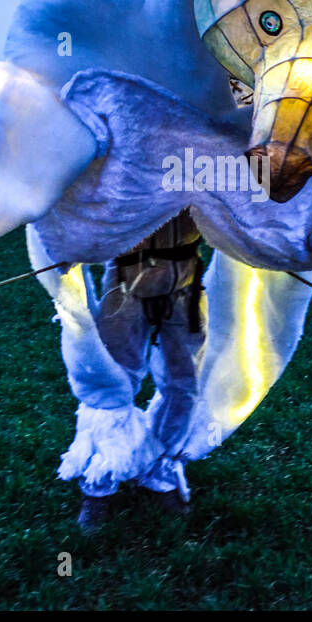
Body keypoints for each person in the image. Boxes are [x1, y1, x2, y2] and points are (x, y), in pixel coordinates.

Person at [74, 210, 207, 530]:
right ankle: (101, 478)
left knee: (185, 383)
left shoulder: (207, 159)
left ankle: (160, 470)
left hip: (186, 281)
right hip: (124, 280)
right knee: (112, 378)